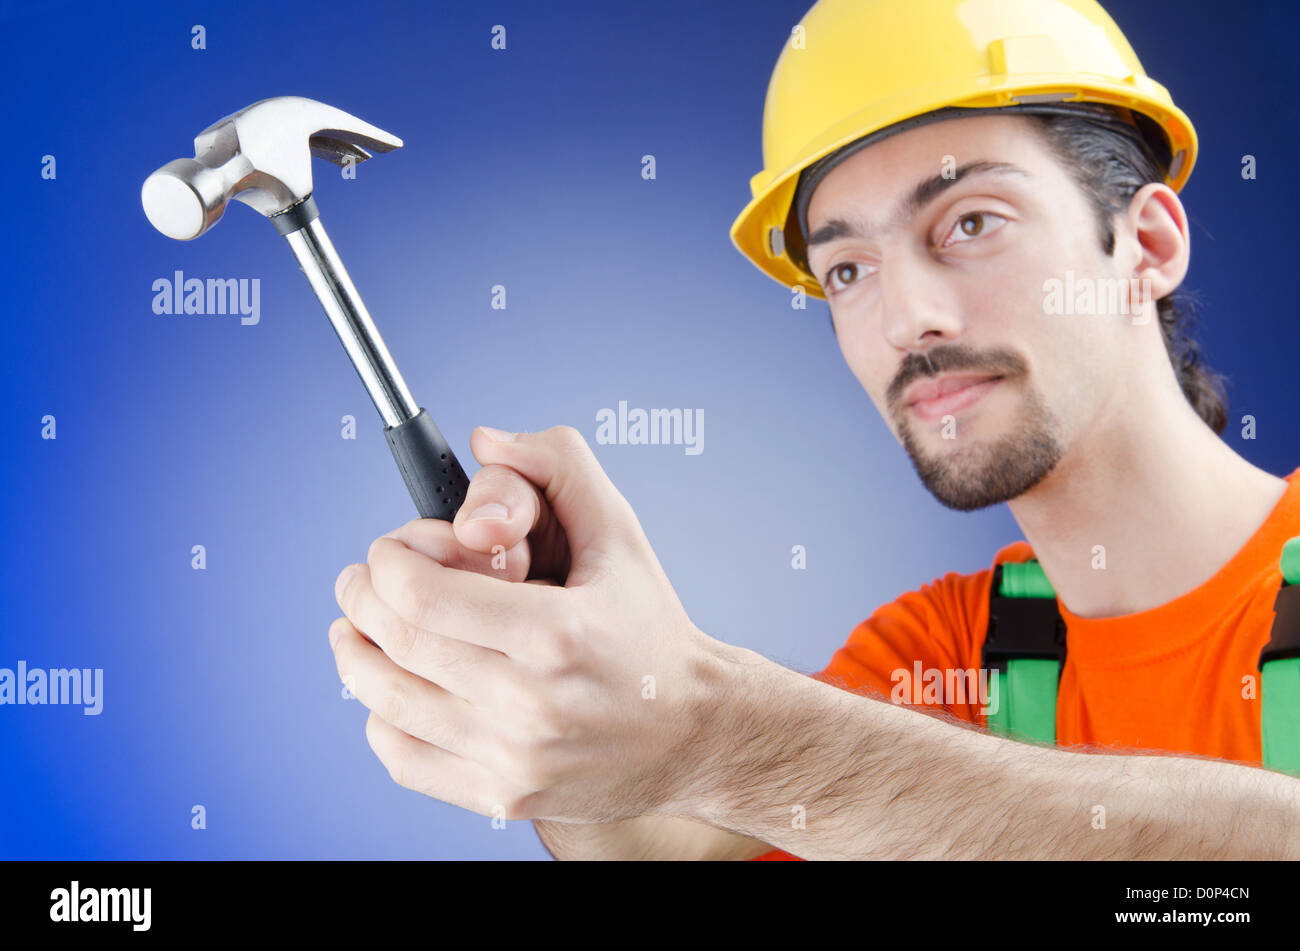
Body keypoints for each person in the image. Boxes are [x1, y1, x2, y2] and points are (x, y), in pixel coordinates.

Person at [326, 0, 1300, 859]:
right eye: (847, 270)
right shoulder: (944, 654)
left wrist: (710, 727)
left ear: (1146, 244)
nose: (905, 318)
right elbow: (690, 849)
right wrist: (582, 717)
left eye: (969, 222)